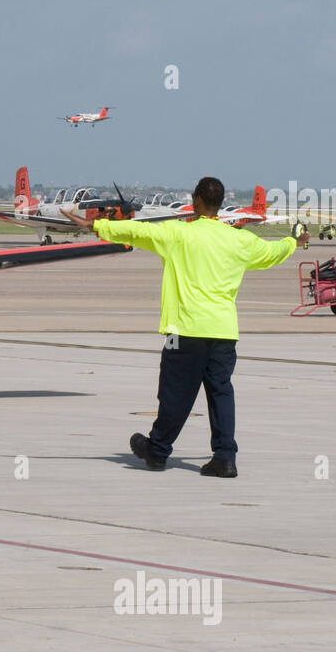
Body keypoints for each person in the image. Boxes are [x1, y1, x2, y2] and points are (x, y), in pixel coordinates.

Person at [77, 177, 308, 478]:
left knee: (175, 393)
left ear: (197, 200)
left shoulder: (178, 234)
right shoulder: (239, 240)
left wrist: (97, 226)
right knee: (221, 393)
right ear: (220, 203)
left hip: (183, 332)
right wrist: (294, 242)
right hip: (223, 333)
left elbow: (136, 230)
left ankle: (157, 450)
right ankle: (225, 458)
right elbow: (272, 253)